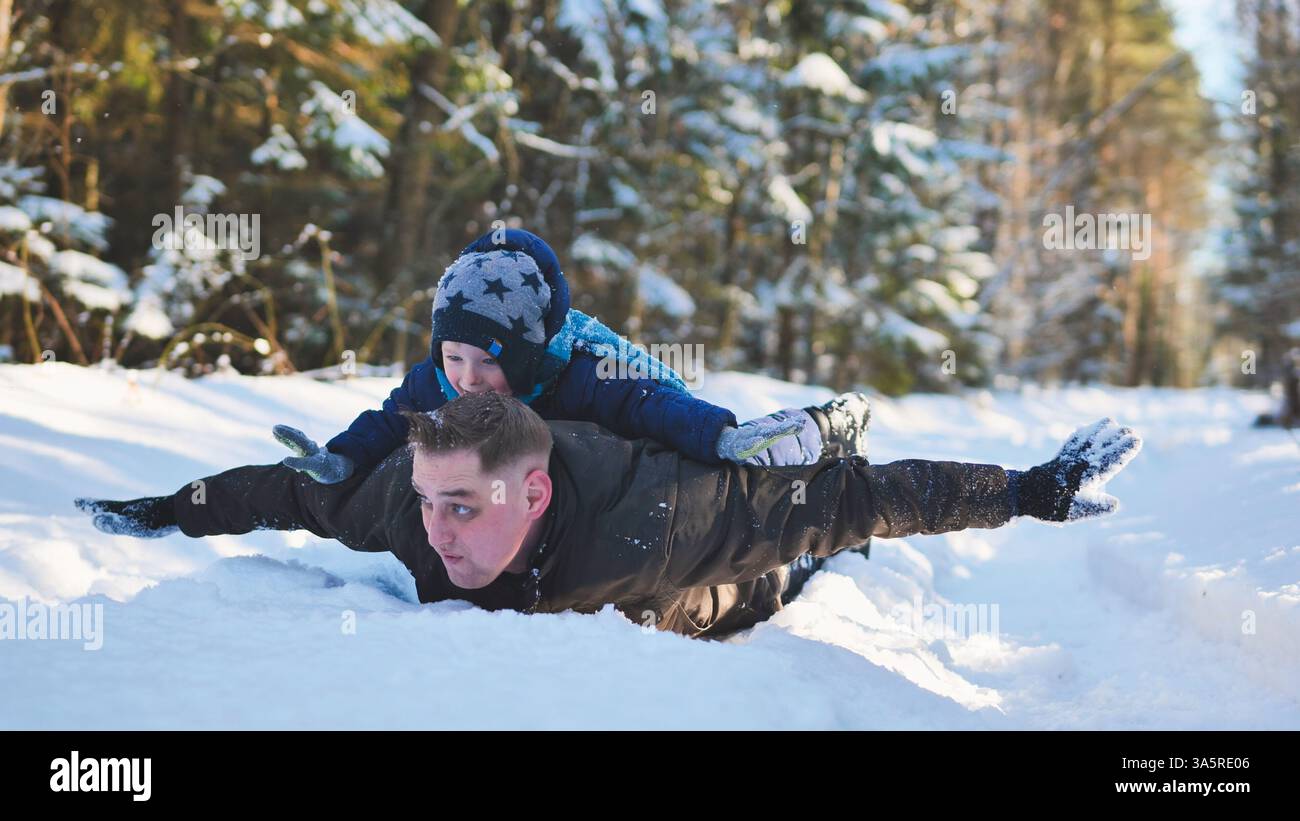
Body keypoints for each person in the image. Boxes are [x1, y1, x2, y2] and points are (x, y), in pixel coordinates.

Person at [76, 393, 1142, 638]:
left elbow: (860, 492)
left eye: (462, 505)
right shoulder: (397, 507)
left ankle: (817, 551)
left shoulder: (663, 514)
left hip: (664, 576)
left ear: (530, 491)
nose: (437, 527)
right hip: (580, 576)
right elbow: (276, 492)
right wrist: (166, 509)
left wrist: (1019, 489)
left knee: (766, 575)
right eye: (426, 499)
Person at [272, 227, 870, 485]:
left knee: (730, 466)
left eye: (489, 360)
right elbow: (390, 419)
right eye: (454, 356)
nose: (468, 379)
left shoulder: (580, 376)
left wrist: (721, 435)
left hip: (646, 445)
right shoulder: (440, 381)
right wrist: (341, 460)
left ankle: (833, 429)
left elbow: (653, 406)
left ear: (529, 358)